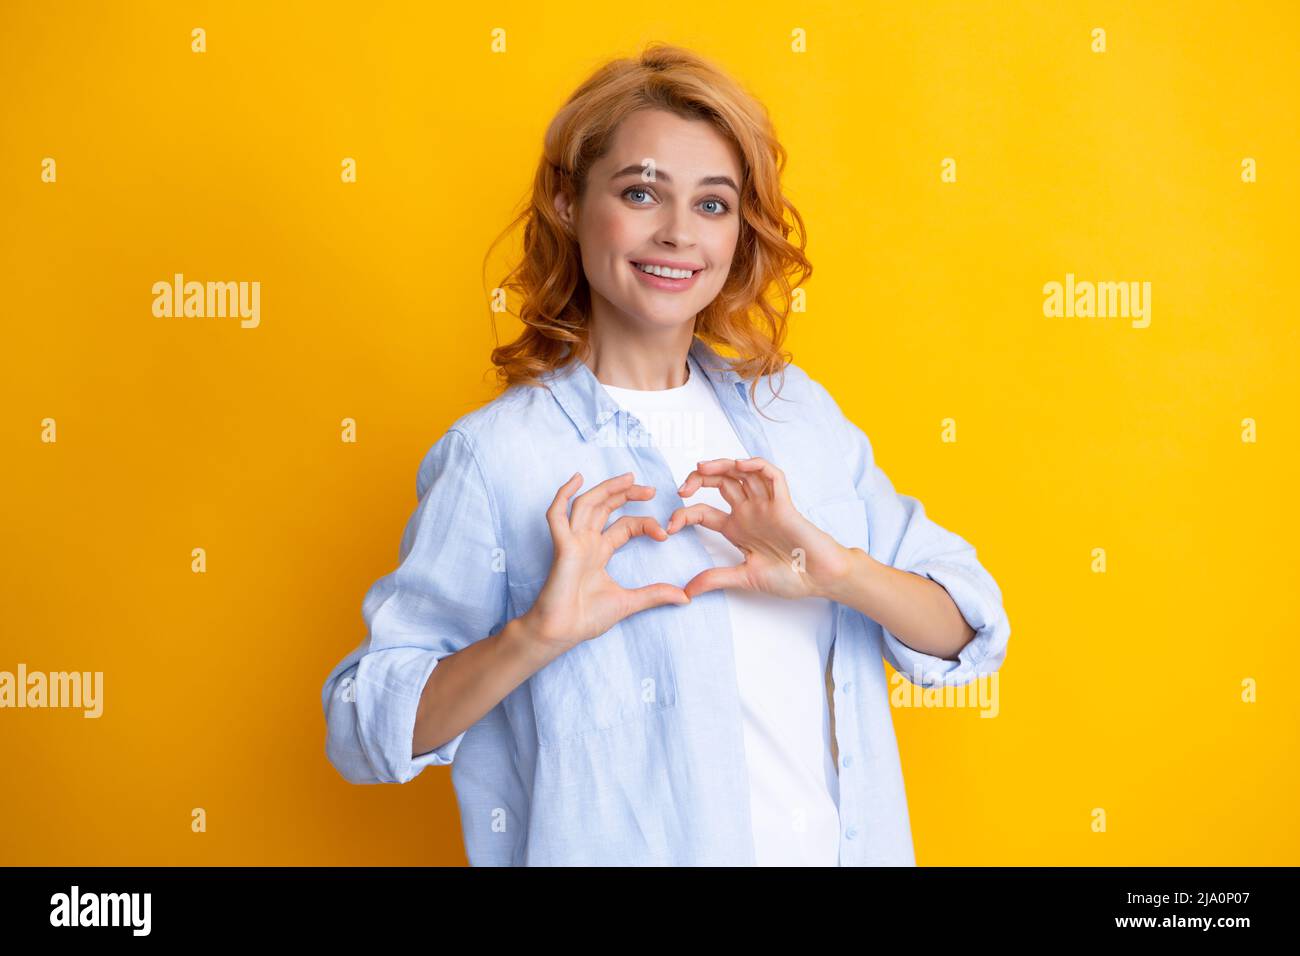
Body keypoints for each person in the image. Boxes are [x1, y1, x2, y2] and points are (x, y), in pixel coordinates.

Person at [321, 42, 1011, 866]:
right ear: (569, 204)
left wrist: (838, 572)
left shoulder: (798, 418)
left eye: (714, 205)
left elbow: (969, 628)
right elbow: (363, 730)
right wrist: (535, 637)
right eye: (642, 192)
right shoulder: (499, 456)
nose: (679, 233)